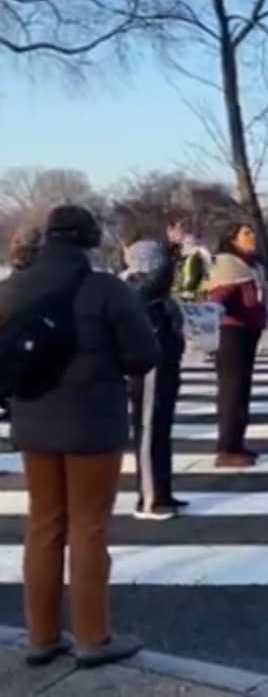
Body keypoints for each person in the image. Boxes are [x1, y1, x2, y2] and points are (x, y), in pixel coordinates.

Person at [1, 205, 158, 668]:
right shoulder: (106, 289)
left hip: (33, 417)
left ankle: (42, 636)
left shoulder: (13, 288)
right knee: (89, 527)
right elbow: (142, 356)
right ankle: (93, 636)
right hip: (93, 421)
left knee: (44, 525)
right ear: (89, 240)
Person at [121, 229, 188, 520]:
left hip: (165, 364)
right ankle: (149, 498)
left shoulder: (151, 292)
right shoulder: (137, 287)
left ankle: (162, 490)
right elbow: (161, 281)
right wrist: (172, 250)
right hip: (148, 369)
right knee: (149, 433)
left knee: (161, 431)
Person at [207, 222, 268, 468]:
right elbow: (219, 298)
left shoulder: (251, 265)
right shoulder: (227, 264)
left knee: (242, 389)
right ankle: (226, 448)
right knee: (232, 390)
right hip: (232, 331)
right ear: (232, 240)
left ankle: (237, 443)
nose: (252, 236)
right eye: (246, 233)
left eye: (252, 231)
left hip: (248, 331)